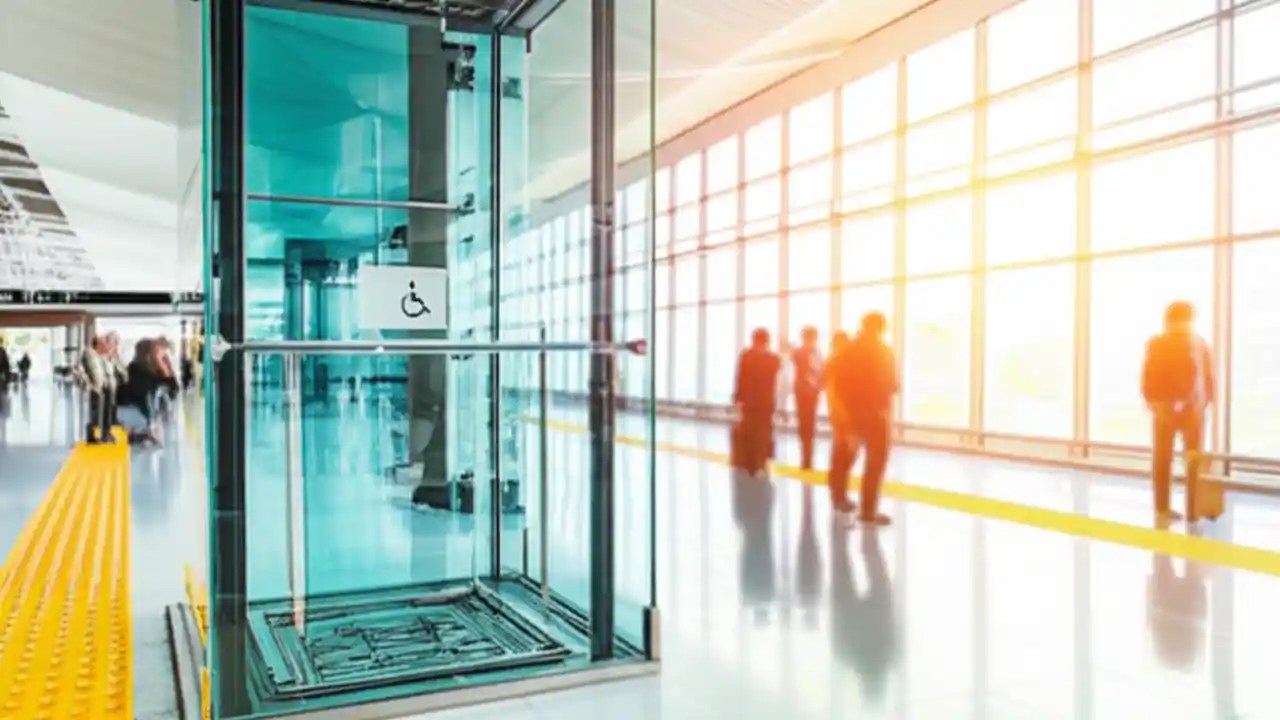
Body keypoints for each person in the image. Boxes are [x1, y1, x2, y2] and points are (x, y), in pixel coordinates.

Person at [1141, 300, 1214, 523]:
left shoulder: (1199, 343)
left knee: (1190, 461)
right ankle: (1164, 508)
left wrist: (1206, 400)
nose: (1184, 324)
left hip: (1191, 411)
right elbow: (1149, 375)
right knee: (1165, 460)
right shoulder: (1160, 343)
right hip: (1168, 410)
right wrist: (1153, 401)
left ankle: (1193, 508)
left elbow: (1207, 375)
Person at [828, 312, 899, 527]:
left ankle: (839, 499)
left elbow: (837, 387)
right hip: (877, 414)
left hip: (853, 415)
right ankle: (868, 511)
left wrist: (844, 420)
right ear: (882, 328)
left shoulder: (848, 351)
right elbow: (893, 385)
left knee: (844, 459)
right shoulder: (884, 351)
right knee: (875, 463)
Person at [732, 328, 783, 478]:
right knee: (757, 433)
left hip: (757, 403)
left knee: (759, 433)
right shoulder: (771, 359)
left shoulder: (748, 356)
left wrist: (738, 399)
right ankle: (754, 463)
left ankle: (756, 462)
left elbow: (740, 379)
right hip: (760, 403)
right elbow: (740, 378)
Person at [824, 331, 853, 514]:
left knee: (845, 456)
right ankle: (838, 496)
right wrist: (842, 417)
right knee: (841, 455)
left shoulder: (841, 363)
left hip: (846, 415)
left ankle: (841, 494)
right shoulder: (834, 363)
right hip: (840, 416)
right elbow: (833, 393)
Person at [791, 326, 824, 470]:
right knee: (804, 423)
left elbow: (821, 371)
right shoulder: (800, 353)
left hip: (812, 392)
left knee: (808, 423)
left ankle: (807, 457)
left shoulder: (816, 353)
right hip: (803, 392)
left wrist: (818, 385)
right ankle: (806, 456)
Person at [80, 335, 115, 443]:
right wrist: (98, 384)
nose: (106, 346)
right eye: (104, 343)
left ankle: (102, 434)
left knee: (100, 413)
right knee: (94, 413)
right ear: (98, 344)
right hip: (95, 389)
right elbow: (96, 373)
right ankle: (92, 436)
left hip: (100, 388)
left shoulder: (99, 356)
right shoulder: (90, 354)